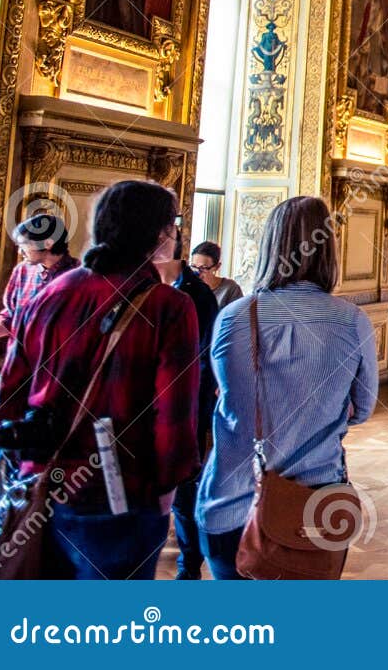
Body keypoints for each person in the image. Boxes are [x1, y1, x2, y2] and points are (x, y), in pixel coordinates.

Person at [0, 180, 199, 579]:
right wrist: (167, 490)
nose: (175, 233)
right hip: (121, 492)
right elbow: (174, 413)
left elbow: (7, 397)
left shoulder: (51, 293)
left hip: (43, 484)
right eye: (172, 225)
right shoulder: (168, 306)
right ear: (156, 234)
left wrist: (30, 464)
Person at [196, 196, 378, 580]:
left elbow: (229, 396)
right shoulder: (351, 321)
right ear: (328, 250)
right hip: (312, 506)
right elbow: (363, 408)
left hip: (231, 500)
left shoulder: (235, 315)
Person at [169, 246, 219, 580]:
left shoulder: (199, 296)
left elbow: (205, 357)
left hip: (185, 407)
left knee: (183, 489)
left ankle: (189, 565)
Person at [0, 213, 78, 336]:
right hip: (22, 354)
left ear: (48, 244)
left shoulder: (79, 276)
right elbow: (11, 316)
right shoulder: (22, 270)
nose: (20, 251)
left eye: (25, 245)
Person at [188, 241, 243, 308]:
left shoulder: (230, 289)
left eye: (203, 268)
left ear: (217, 267)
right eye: (193, 266)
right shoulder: (188, 287)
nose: (197, 273)